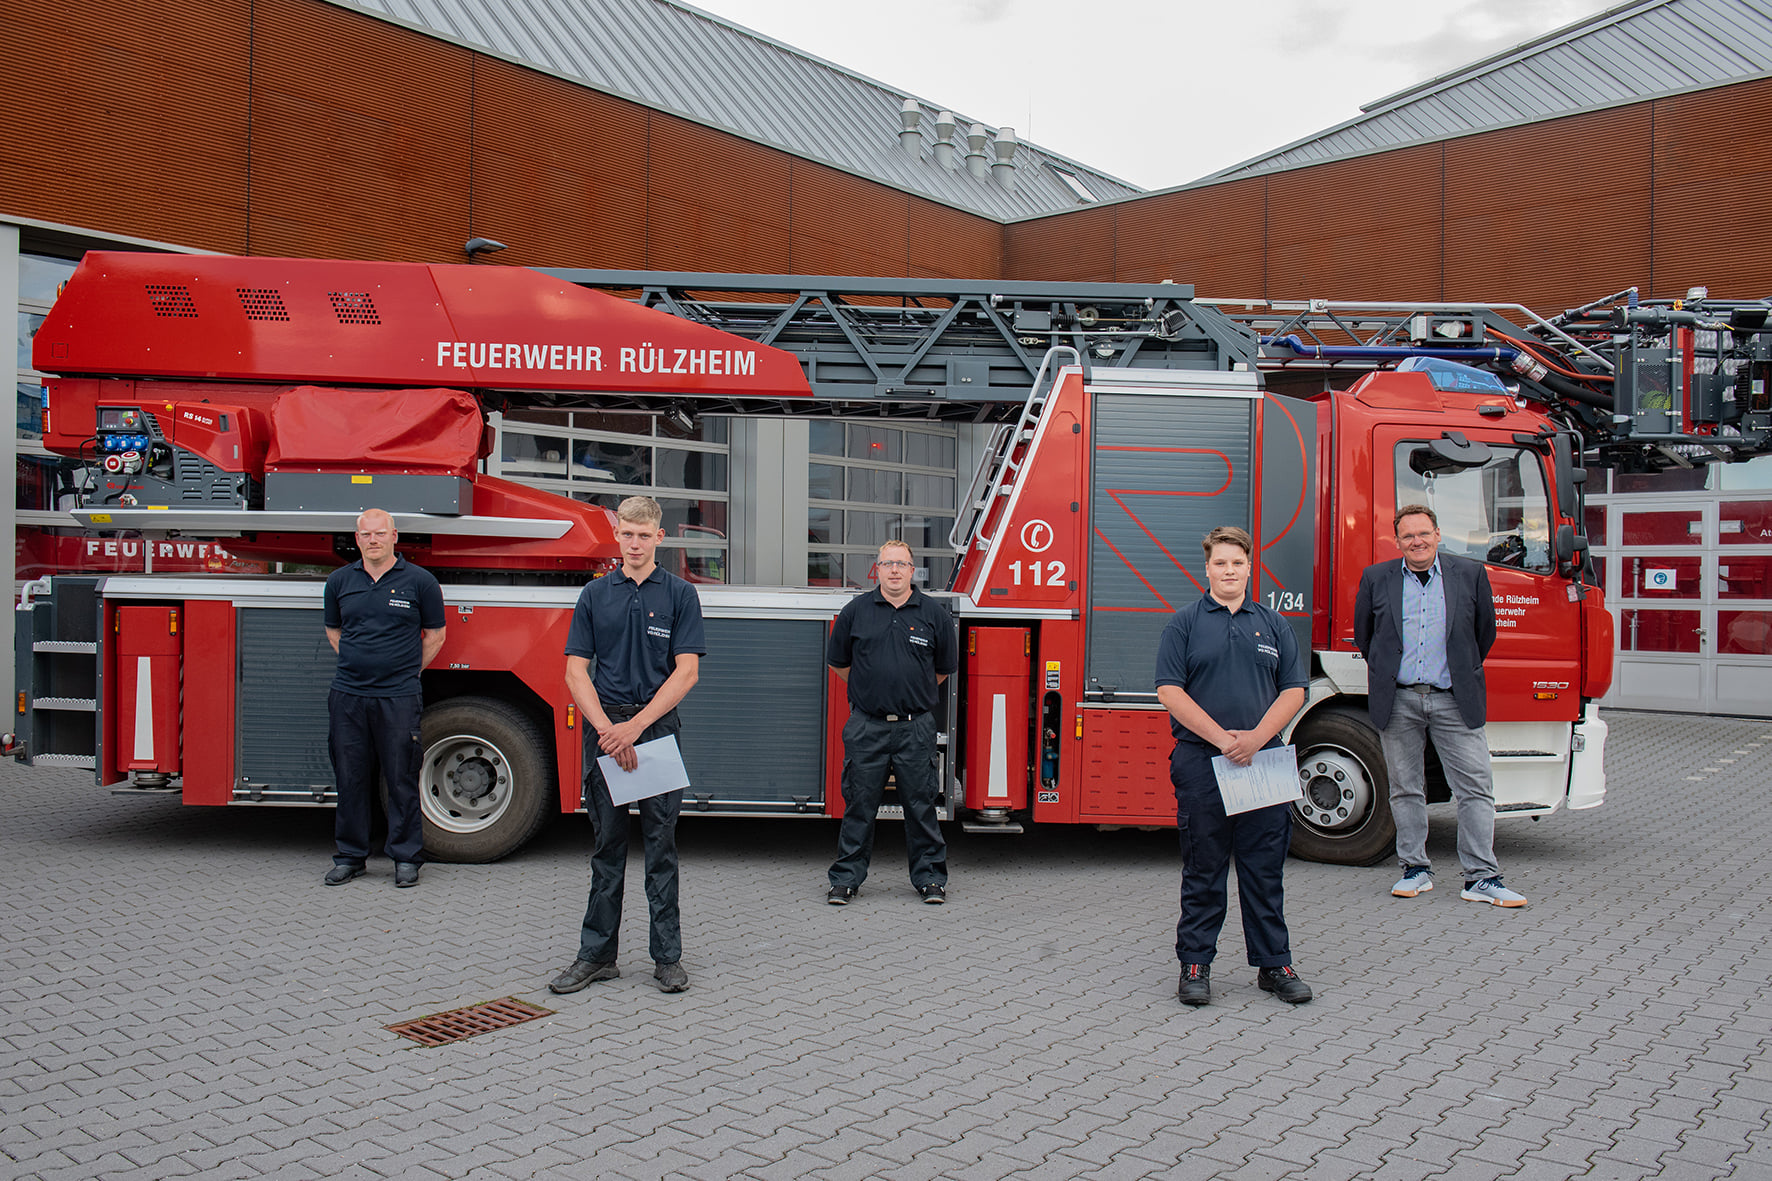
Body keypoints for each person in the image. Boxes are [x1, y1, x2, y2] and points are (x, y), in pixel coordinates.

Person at [550, 496, 706, 994]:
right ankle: (597, 956)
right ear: (617, 537)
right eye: (627, 534)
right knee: (606, 850)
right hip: (606, 732)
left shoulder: (681, 595)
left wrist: (634, 727)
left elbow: (687, 672)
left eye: (644, 534)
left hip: (654, 734)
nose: (635, 543)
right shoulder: (595, 596)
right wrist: (605, 730)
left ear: (660, 537)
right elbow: (576, 671)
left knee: (662, 849)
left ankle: (667, 958)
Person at [1155, 525, 1312, 1006]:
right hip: (1203, 762)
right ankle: (1195, 964)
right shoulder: (1183, 624)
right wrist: (1224, 740)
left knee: (1264, 869)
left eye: (1237, 563)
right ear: (1206, 569)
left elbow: (1294, 690)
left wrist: (1257, 740)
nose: (1229, 571)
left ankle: (1274, 965)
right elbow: (1169, 691)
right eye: (1220, 563)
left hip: (1263, 764)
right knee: (1203, 868)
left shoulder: (1272, 623)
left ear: (1250, 568)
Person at [1354, 504, 1527, 907]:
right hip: (1398, 699)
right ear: (1397, 541)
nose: (1417, 541)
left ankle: (1481, 877)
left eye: (1423, 533)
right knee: (1405, 788)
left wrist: (1460, 672)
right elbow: (1367, 637)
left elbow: (1484, 633)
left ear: (1437, 534)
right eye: (1408, 536)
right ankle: (1415, 869)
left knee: (1476, 789)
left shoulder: (1468, 574)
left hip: (1453, 698)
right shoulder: (1376, 578)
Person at [825, 540, 957, 906]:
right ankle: (846, 879)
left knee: (921, 805)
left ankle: (931, 879)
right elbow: (839, 663)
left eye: (902, 564)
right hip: (867, 726)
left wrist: (910, 692)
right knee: (859, 805)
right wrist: (871, 691)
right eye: (887, 563)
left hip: (916, 728)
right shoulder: (856, 612)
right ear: (877, 569)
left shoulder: (933, 615)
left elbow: (944, 669)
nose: (894, 570)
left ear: (913, 571)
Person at [322, 508, 446, 888]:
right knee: (351, 778)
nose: (373, 540)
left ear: (395, 536)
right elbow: (334, 631)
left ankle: (406, 858)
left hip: (398, 696)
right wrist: (360, 666)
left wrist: (405, 672)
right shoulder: (339, 581)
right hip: (349, 696)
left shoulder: (420, 582)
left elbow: (436, 636)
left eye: (380, 533)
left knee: (401, 778)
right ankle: (350, 856)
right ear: (357, 539)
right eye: (366, 535)